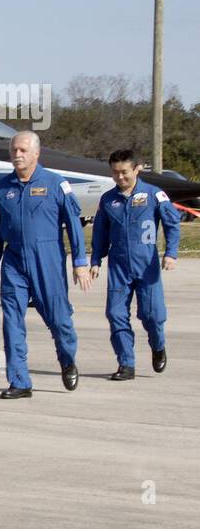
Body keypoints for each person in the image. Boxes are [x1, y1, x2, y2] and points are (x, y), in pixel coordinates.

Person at [0, 130, 92, 398]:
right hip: (14, 261)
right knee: (11, 320)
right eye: (14, 150)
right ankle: (20, 381)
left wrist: (80, 262)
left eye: (22, 150)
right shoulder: (2, 188)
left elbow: (74, 227)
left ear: (36, 154)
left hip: (48, 259)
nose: (17, 154)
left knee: (59, 320)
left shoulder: (56, 184)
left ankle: (67, 360)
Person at [89, 148, 181, 380]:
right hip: (118, 266)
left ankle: (157, 345)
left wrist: (171, 253)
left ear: (137, 168)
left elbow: (172, 223)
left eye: (125, 172)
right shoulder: (108, 200)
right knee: (115, 314)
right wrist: (95, 260)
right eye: (115, 173)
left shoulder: (153, 194)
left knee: (152, 315)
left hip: (146, 265)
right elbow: (100, 232)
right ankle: (126, 364)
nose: (120, 177)